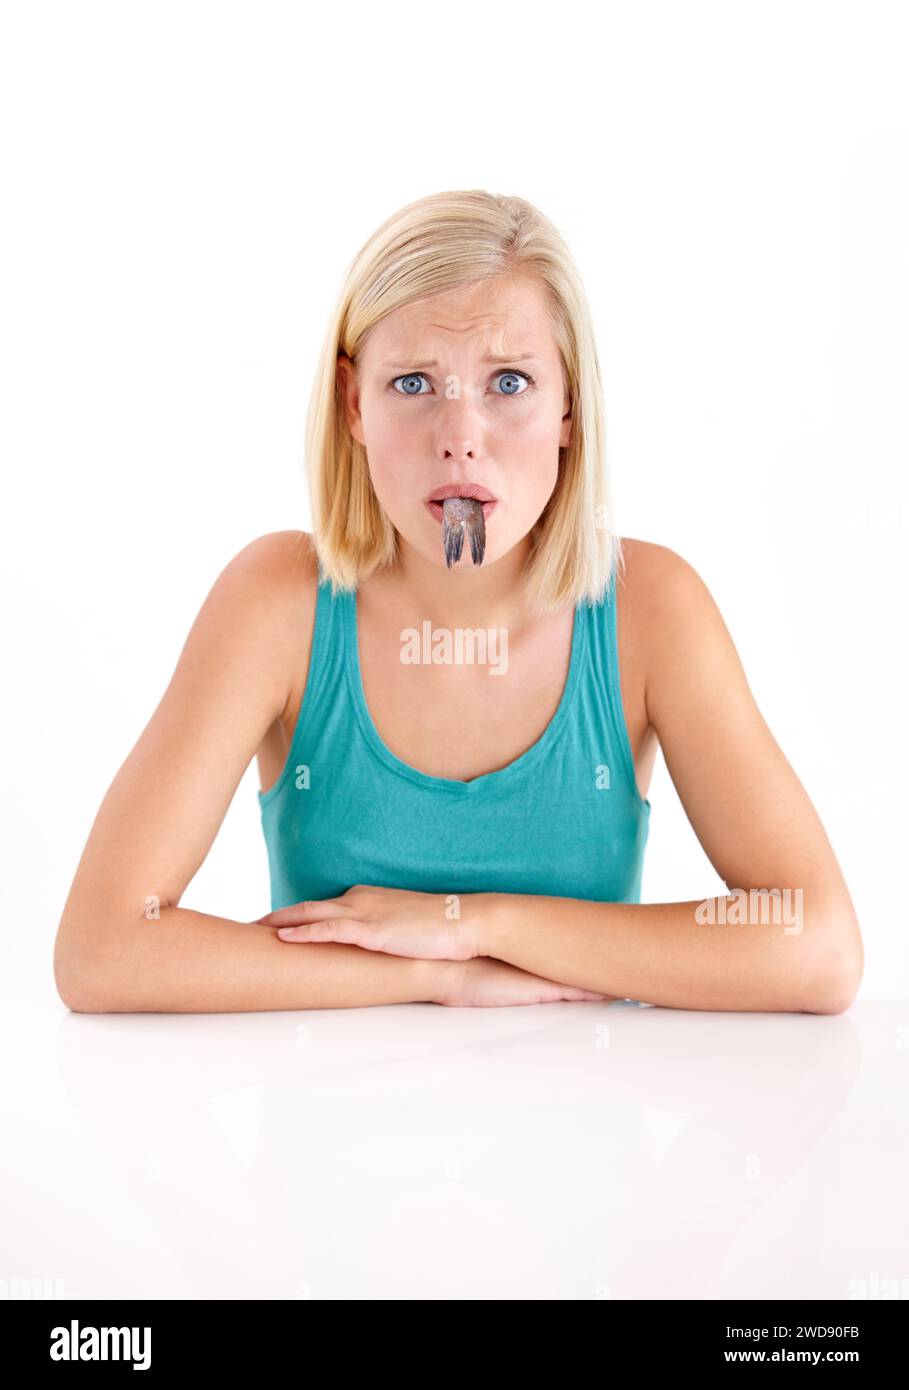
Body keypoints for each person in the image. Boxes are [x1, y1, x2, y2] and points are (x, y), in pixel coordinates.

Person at [53, 190, 863, 1014]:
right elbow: (102, 950)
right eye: (412, 382)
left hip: (590, 1127)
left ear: (568, 411)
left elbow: (817, 946)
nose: (460, 435)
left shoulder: (651, 610)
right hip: (321, 1130)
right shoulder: (279, 603)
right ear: (353, 406)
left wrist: (472, 925)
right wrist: (435, 975)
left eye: (508, 381)